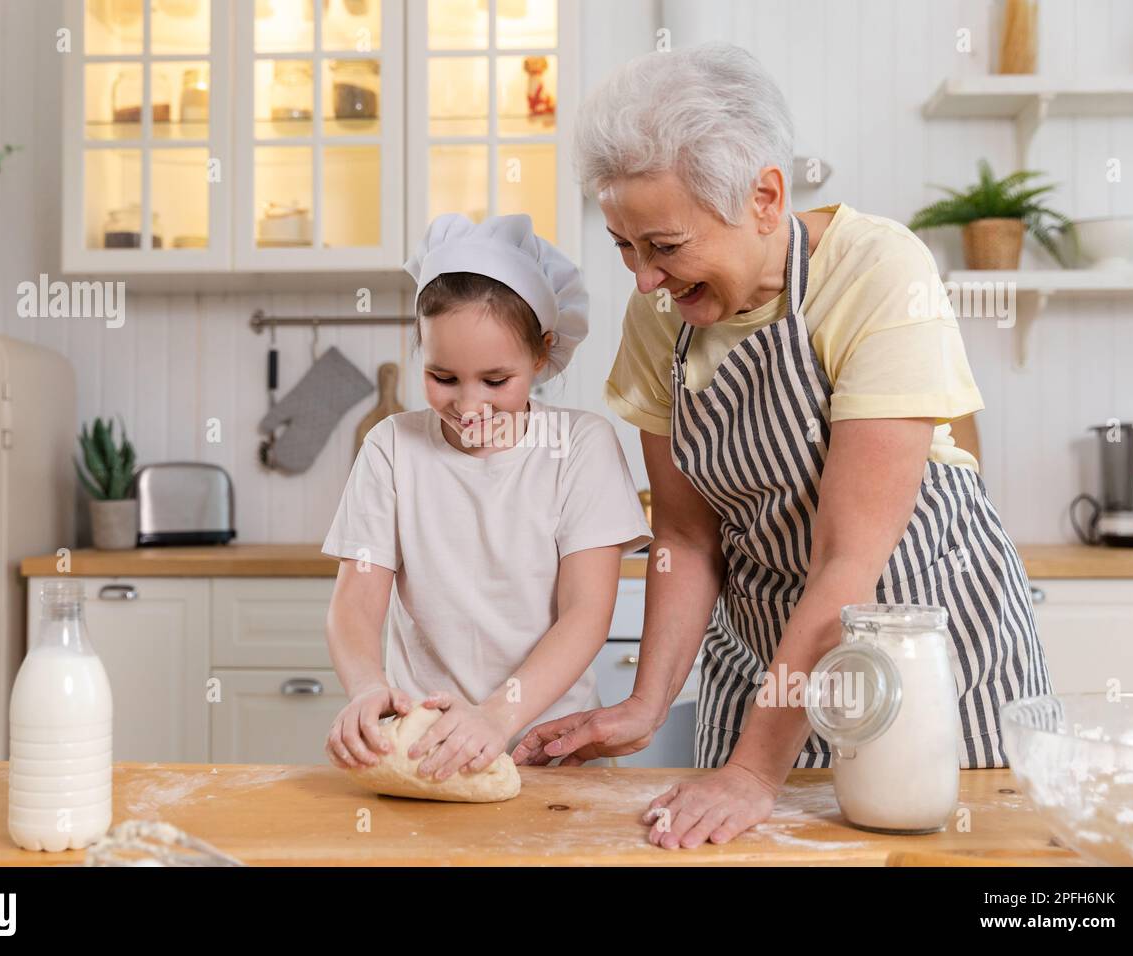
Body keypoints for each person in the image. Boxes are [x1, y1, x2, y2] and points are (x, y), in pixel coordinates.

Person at [513, 42, 1051, 849]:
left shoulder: (876, 272)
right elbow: (687, 537)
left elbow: (847, 563)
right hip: (761, 656)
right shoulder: (660, 318)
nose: (644, 280)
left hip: (917, 658)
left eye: (664, 245)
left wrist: (754, 771)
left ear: (765, 196)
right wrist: (648, 702)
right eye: (624, 245)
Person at [322, 213, 652, 783]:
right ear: (419, 349)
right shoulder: (392, 446)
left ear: (542, 354)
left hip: (550, 750)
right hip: (426, 748)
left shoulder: (580, 446)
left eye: (496, 381)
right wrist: (368, 689)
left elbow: (585, 612)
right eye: (442, 378)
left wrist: (497, 718)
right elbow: (355, 601)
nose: (469, 404)